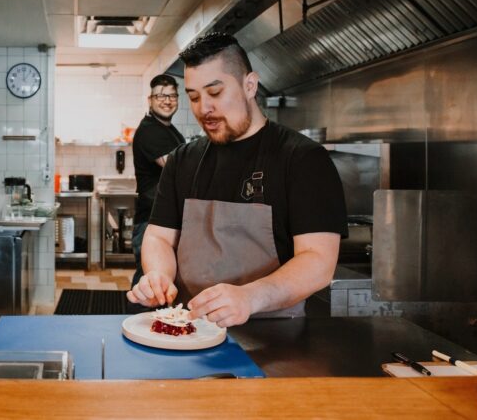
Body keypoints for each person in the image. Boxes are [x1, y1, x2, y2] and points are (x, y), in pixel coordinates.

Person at [127, 32, 347, 327]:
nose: (203, 108)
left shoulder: (302, 159)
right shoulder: (183, 160)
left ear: (250, 85)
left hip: (274, 337)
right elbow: (159, 237)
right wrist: (158, 276)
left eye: (215, 93)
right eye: (194, 97)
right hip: (190, 331)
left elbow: (318, 260)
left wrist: (249, 297)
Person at [131, 74, 185, 287]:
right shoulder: (150, 130)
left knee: (156, 283)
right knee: (149, 282)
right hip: (152, 220)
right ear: (150, 100)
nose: (167, 100)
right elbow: (174, 166)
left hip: (163, 218)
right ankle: (133, 320)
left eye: (172, 96)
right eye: (161, 96)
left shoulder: (168, 130)